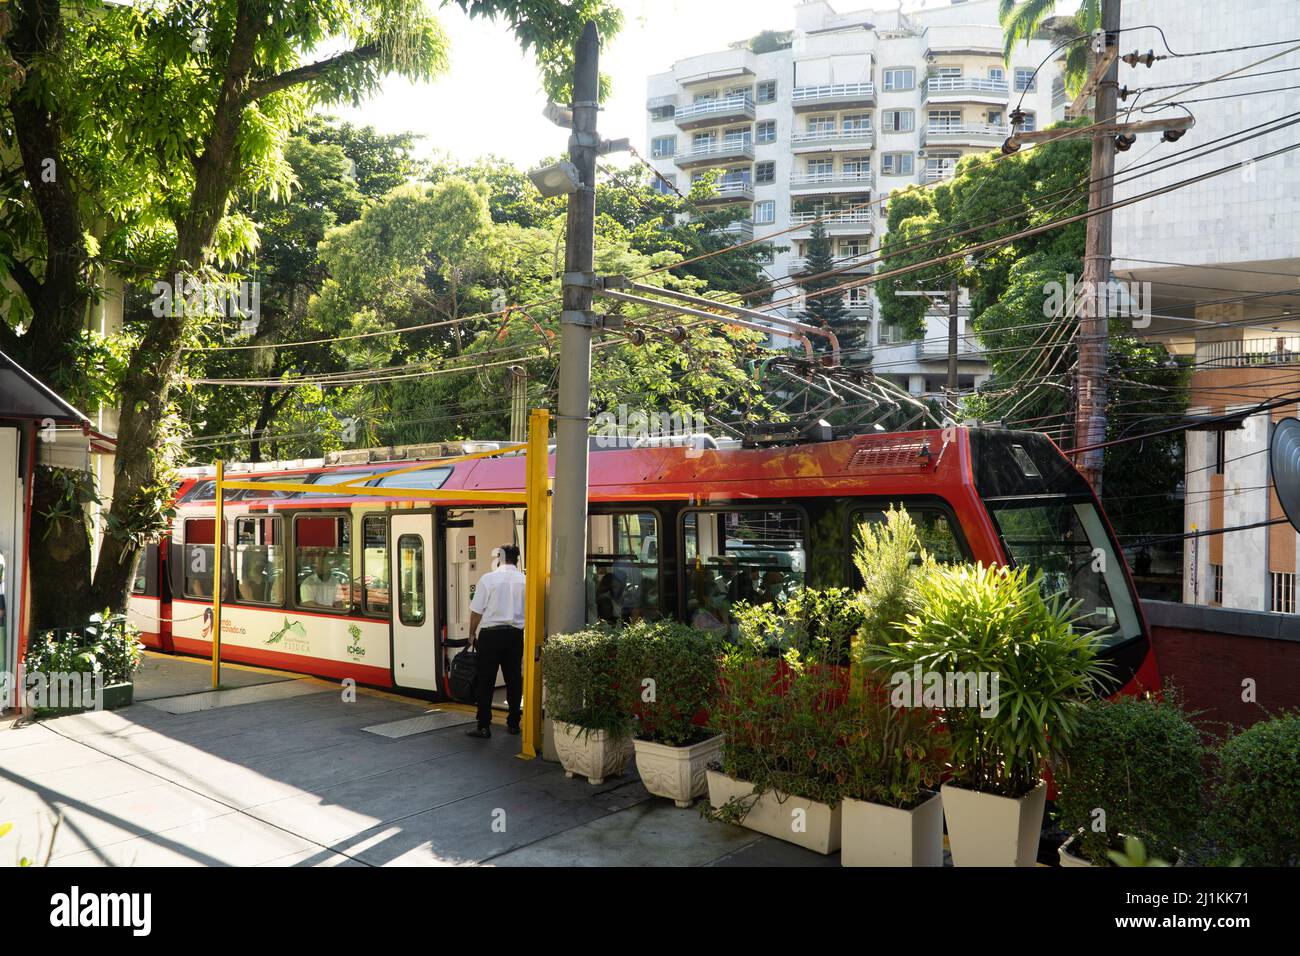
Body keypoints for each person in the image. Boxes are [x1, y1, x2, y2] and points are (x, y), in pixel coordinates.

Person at [465, 544, 526, 739]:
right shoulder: (525, 581)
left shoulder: (488, 579)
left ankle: (484, 726)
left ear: (499, 558)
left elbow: (476, 611)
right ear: (517, 559)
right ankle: (514, 723)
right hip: (515, 635)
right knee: (514, 679)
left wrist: (471, 633)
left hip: (491, 636)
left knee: (486, 680)